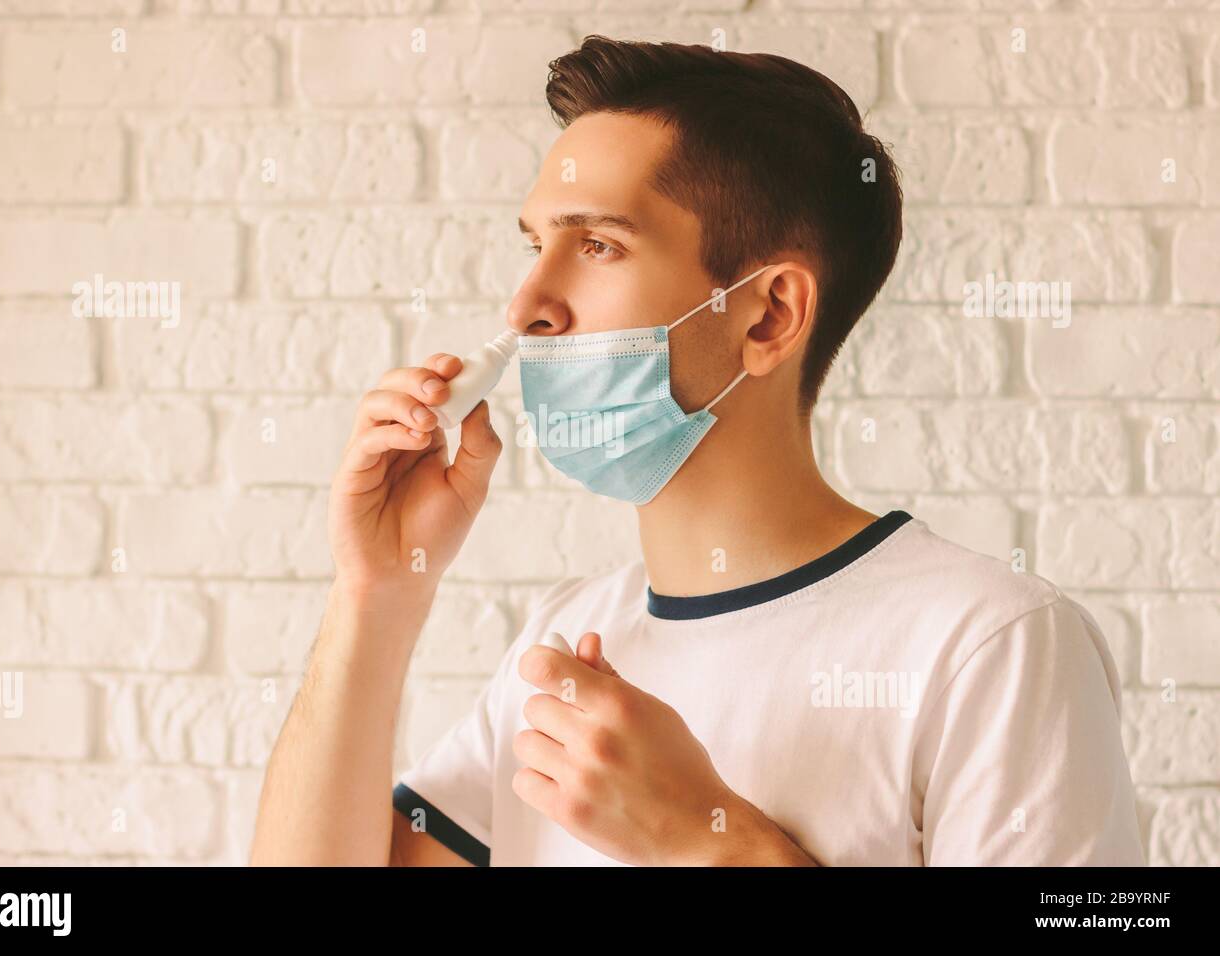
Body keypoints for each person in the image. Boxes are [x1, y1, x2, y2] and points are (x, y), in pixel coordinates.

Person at [251, 36, 1145, 867]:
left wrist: (709, 840)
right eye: (536, 244)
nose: (526, 304)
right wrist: (376, 592)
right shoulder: (561, 640)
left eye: (597, 243)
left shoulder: (992, 644)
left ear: (769, 315)